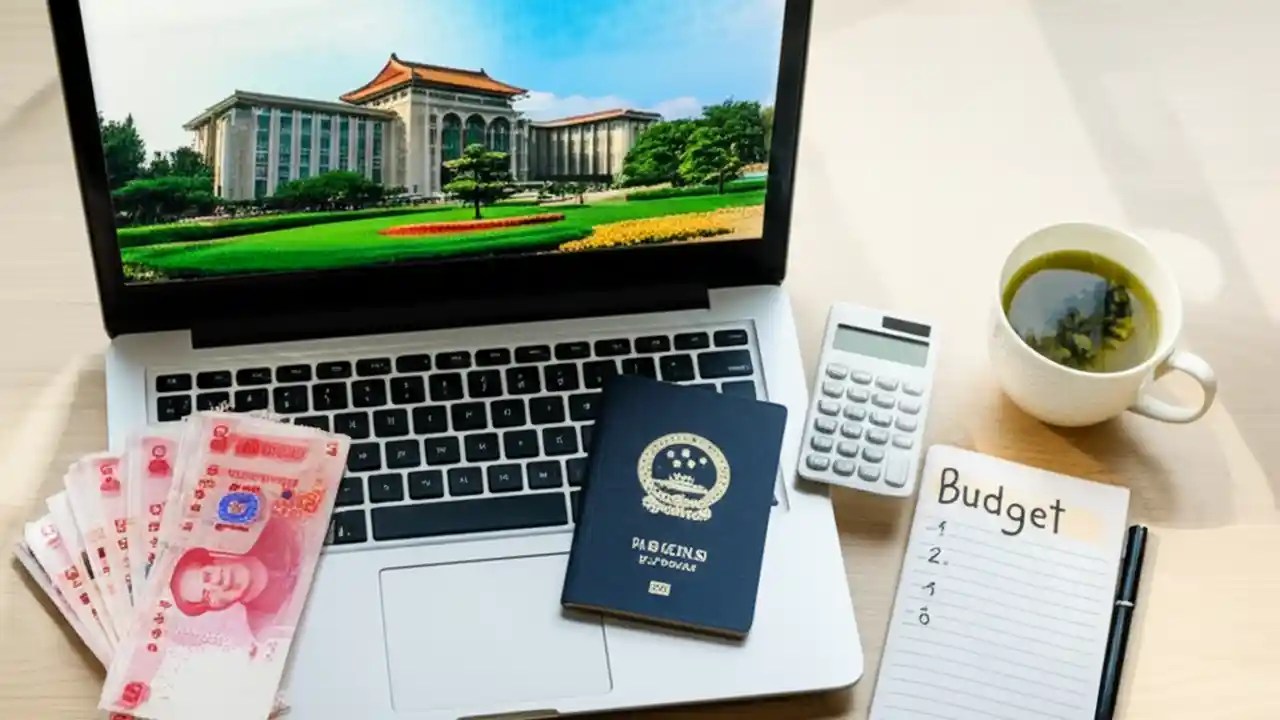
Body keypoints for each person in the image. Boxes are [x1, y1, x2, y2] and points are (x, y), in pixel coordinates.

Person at [169, 515, 301, 639]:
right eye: (207, 595)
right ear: (216, 607)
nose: (216, 584)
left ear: (217, 559)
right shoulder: (265, 627)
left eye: (208, 576)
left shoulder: (280, 529)